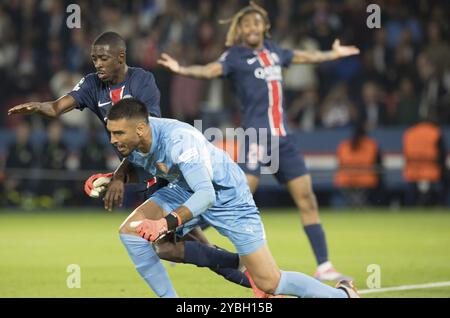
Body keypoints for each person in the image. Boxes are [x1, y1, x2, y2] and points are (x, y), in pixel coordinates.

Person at [7, 32, 254, 293]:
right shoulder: (92, 84)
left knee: (165, 246)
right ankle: (254, 277)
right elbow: (58, 107)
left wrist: (119, 177)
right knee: (183, 246)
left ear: (120, 57)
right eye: (94, 59)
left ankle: (247, 269)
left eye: (103, 58)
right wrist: (39, 106)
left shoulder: (142, 80)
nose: (97, 64)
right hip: (145, 175)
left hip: (164, 174)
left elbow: (145, 133)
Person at [157, 1, 359, 281]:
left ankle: (324, 265)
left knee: (307, 199)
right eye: (247, 24)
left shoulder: (275, 52)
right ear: (240, 30)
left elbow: (303, 56)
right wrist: (182, 69)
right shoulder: (235, 57)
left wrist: (332, 54)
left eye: (256, 23)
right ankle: (180, 227)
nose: (252, 27)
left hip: (284, 139)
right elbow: (209, 71)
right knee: (236, 198)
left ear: (265, 26)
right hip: (255, 136)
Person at [107, 97, 359, 298]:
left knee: (270, 282)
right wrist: (113, 179)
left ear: (140, 129)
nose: (112, 140)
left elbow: (205, 194)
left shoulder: (178, 142)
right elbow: (147, 166)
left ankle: (342, 295)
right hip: (183, 189)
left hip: (228, 197)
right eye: (111, 133)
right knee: (132, 232)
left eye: (118, 133)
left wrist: (164, 223)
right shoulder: (136, 142)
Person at [334, 125, 383, 207]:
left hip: (346, 179)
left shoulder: (344, 145)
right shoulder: (371, 145)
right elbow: (378, 164)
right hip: (365, 180)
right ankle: (359, 205)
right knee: (360, 198)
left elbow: (340, 163)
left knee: (355, 198)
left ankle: (356, 204)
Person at [403, 118, 448, 206]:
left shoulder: (409, 133)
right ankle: (442, 204)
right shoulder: (435, 132)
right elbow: (442, 155)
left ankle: (411, 205)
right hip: (431, 170)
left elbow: (405, 153)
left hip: (412, 171)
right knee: (446, 179)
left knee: (413, 194)